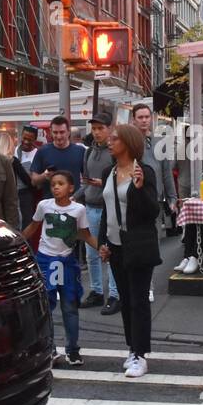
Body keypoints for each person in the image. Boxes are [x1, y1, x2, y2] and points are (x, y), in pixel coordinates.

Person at [97, 124, 162, 378]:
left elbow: (152, 211)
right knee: (125, 300)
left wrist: (138, 187)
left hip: (138, 244)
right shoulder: (108, 172)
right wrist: (102, 241)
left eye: (115, 139)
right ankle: (131, 348)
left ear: (128, 143)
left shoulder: (144, 171)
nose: (109, 142)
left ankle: (140, 354)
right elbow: (107, 210)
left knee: (138, 300)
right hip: (115, 245)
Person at [24, 171, 98, 368]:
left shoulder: (79, 209)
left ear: (71, 188)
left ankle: (72, 349)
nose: (56, 187)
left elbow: (85, 234)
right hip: (45, 260)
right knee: (46, 307)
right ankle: (50, 348)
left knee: (69, 307)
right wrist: (17, 242)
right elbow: (33, 226)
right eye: (53, 184)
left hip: (67, 261)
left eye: (61, 184)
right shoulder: (44, 206)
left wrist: (102, 248)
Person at [133, 103, 177, 304]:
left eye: (146, 117)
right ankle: (136, 285)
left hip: (155, 201)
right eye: (140, 117)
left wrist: (172, 198)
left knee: (153, 246)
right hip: (132, 200)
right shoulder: (130, 141)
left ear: (151, 118)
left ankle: (148, 286)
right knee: (134, 244)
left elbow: (166, 172)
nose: (143, 120)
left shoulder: (160, 142)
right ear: (134, 119)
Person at [78, 113, 119, 315]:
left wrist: (103, 183)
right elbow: (85, 181)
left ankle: (114, 294)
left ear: (109, 128)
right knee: (91, 254)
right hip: (90, 205)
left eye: (100, 128)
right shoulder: (88, 152)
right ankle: (96, 291)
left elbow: (122, 178)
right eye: (94, 129)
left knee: (109, 252)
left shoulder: (114, 151)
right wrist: (75, 196)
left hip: (109, 208)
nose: (96, 132)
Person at [30, 115, 87, 199]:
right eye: (55, 132)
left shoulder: (80, 151)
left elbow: (87, 179)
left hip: (74, 203)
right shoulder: (43, 151)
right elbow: (34, 181)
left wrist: (77, 196)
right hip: (50, 203)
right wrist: (44, 176)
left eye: (62, 132)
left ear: (68, 132)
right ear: (50, 132)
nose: (59, 136)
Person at [13, 124, 41, 231]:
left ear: (35, 139)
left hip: (27, 194)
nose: (26, 142)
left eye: (30, 139)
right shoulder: (14, 150)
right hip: (13, 192)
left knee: (26, 222)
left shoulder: (38, 154)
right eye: (24, 138)